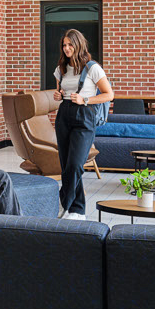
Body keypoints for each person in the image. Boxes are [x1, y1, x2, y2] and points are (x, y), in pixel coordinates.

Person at [53, 28, 114, 219]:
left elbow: (108, 94)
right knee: (66, 165)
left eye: (70, 45)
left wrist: (85, 100)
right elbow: (60, 92)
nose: (66, 48)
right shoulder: (61, 68)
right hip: (64, 115)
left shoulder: (92, 67)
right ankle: (77, 210)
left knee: (75, 164)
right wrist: (58, 95)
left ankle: (64, 203)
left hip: (84, 116)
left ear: (78, 45)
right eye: (64, 45)